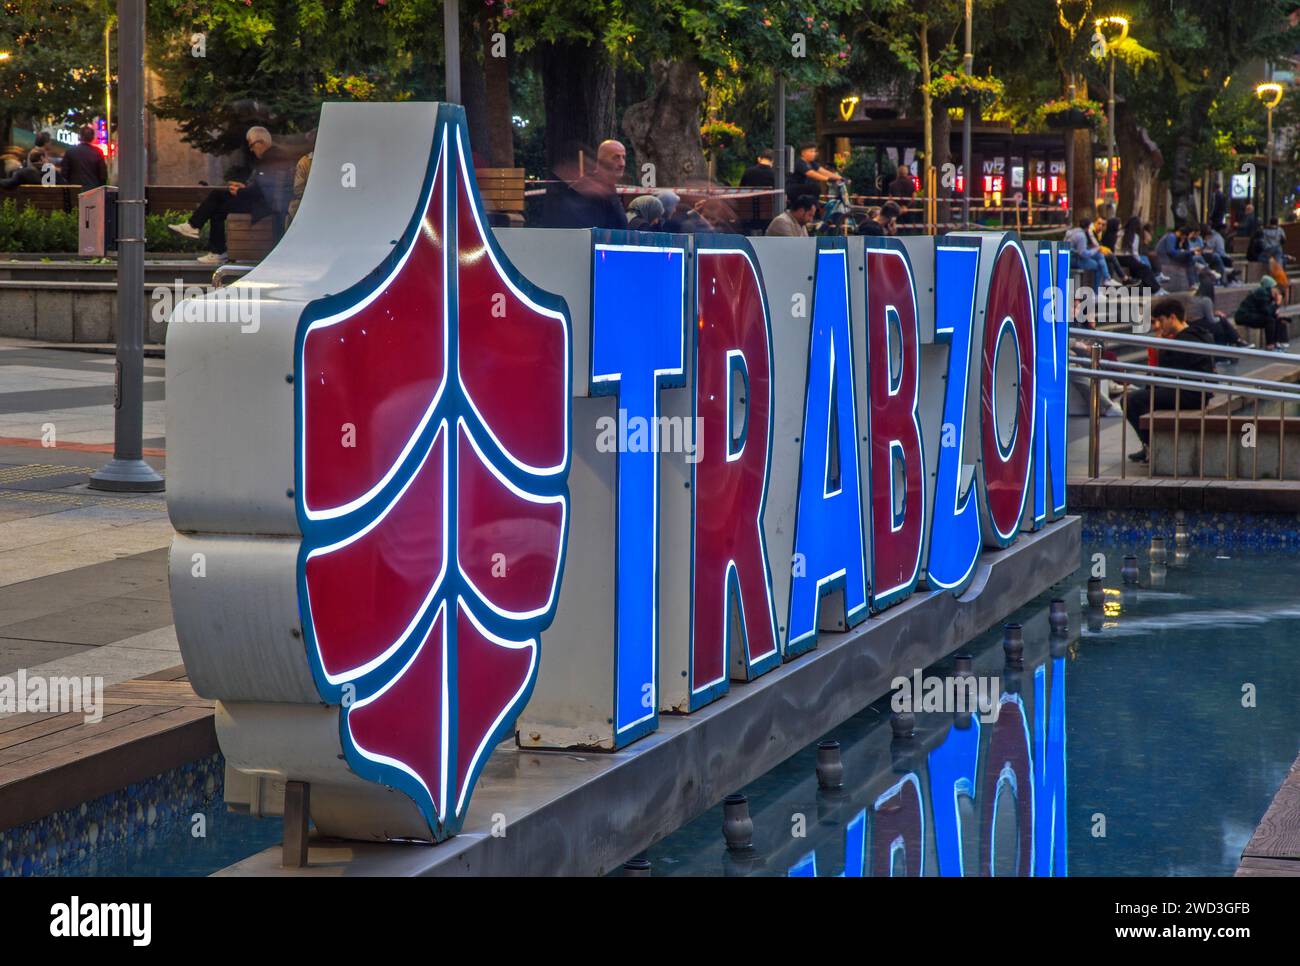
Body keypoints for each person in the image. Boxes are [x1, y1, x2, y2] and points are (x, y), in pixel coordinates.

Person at [169, 126, 295, 264]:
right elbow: (262, 186)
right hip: (260, 202)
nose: (251, 150)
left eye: (251, 145)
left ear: (260, 142)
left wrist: (241, 191)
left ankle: (199, 233)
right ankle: (208, 242)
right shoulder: (271, 156)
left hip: (265, 206)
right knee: (218, 203)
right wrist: (244, 187)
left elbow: (266, 190)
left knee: (218, 201)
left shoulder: (273, 158)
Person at [1125, 298, 1214, 463]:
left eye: (1161, 320)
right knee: (1142, 396)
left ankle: (1154, 447)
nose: (1158, 326)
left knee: (1132, 400)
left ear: (1173, 317)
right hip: (1194, 392)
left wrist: (1161, 347)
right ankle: (1150, 446)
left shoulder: (1184, 341)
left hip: (1190, 394)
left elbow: (1166, 373)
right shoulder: (1195, 335)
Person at [1187, 271, 1246, 352]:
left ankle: (1236, 342)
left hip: (1192, 322)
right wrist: (1220, 318)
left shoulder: (1193, 297)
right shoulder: (1206, 300)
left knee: (1221, 323)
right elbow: (1211, 320)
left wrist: (1216, 315)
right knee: (1221, 325)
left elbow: (1203, 313)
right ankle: (1236, 341)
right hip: (1198, 323)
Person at [1234, 275, 1289, 350]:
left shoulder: (1268, 295)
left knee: (1278, 319)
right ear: (1276, 292)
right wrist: (1276, 304)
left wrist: (1275, 308)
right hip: (1244, 316)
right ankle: (1270, 345)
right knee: (1269, 320)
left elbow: (1269, 312)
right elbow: (1266, 311)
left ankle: (1279, 343)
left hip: (1253, 314)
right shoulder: (1262, 293)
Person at [1065, 218, 1120, 287]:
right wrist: (1096, 249)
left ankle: (1107, 278)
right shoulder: (1081, 236)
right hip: (1074, 260)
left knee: (1099, 255)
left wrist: (1095, 250)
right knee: (1098, 266)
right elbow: (1083, 254)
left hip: (1070, 257)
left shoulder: (1073, 232)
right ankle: (1097, 291)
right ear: (1088, 227)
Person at [1116, 216, 1163, 293]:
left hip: (1118, 257)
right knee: (1145, 269)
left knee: (1135, 269)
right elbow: (1135, 253)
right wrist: (1139, 262)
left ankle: (1139, 290)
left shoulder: (1120, 233)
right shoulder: (1135, 236)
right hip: (1128, 258)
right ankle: (1156, 289)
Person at [60, 124, 107, 190]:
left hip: (75, 190)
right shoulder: (98, 152)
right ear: (92, 137)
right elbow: (103, 175)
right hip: (93, 191)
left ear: (80, 136)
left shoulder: (70, 152)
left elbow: (64, 173)